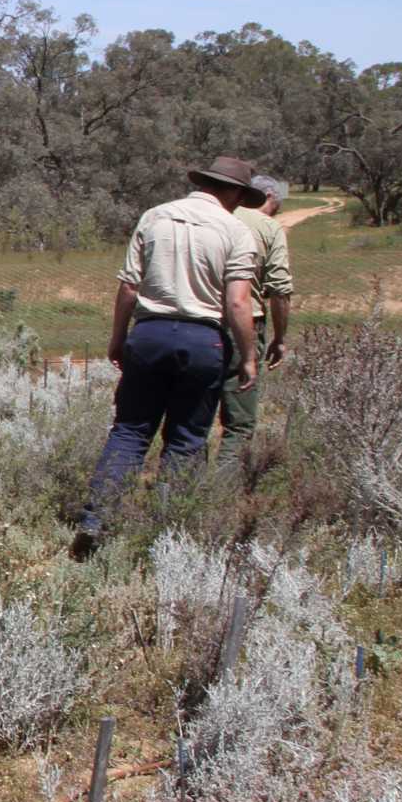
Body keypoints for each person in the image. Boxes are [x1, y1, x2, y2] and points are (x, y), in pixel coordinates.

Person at [69, 156, 262, 558]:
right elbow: (239, 303)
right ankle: (168, 529)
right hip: (203, 340)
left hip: (149, 333)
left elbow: (127, 287)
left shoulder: (155, 216)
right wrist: (248, 356)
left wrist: (118, 337)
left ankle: (97, 518)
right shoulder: (235, 231)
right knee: (187, 439)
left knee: (129, 431)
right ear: (236, 194)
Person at [217, 172, 295, 459]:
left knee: (193, 418)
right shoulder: (268, 228)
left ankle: (184, 491)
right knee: (239, 423)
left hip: (201, 324)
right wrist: (280, 337)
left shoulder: (217, 216)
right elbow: (280, 290)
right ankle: (224, 493)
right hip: (246, 326)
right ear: (269, 197)